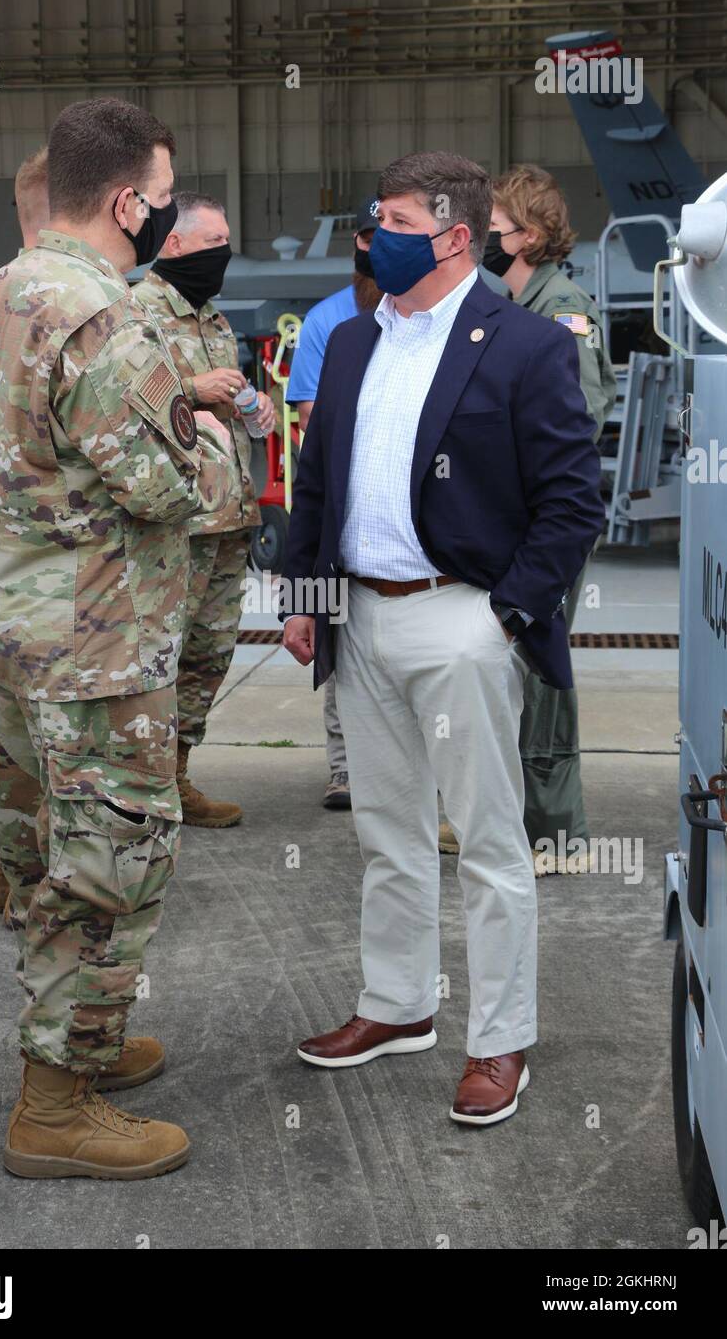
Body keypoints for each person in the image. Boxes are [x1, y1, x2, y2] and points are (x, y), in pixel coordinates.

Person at [281, 150, 604, 1126]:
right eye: (372, 220)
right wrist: (303, 597)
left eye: (392, 223)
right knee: (387, 832)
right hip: (360, 617)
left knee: (490, 845)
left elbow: (571, 502)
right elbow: (315, 482)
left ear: (455, 236)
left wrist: (501, 617)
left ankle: (498, 1040)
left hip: (462, 617)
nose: (370, 237)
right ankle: (397, 1005)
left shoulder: (524, 346)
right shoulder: (351, 342)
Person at [0, 97, 237, 1180]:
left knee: (49, 851)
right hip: (97, 646)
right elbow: (167, 487)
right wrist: (209, 437)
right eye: (160, 199)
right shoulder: (99, 317)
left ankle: (90, 1045)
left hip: (17, 634)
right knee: (109, 862)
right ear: (127, 203)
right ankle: (54, 1107)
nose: (163, 215)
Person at [479, 163, 616, 872]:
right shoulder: (511, 303)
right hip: (514, 515)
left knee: (542, 666)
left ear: (528, 236)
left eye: (494, 227)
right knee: (509, 665)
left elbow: (581, 413)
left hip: (549, 519)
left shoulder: (562, 308)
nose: (483, 238)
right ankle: (510, 817)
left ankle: (557, 833)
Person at [131, 193, 274, 827]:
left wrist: (254, 407)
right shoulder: (136, 312)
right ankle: (142, 785)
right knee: (158, 656)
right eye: (213, 241)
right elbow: (120, 401)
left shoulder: (212, 318)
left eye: (226, 241)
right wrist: (192, 388)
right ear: (176, 244)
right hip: (176, 523)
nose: (223, 253)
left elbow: (226, 406)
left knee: (207, 657)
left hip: (230, 516)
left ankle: (178, 774)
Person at [285, 197, 382, 809]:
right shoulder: (328, 321)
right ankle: (345, 769)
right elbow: (310, 423)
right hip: (340, 514)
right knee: (337, 644)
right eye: (369, 237)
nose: (377, 247)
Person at [0, 147, 51, 918]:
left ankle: (16, 879)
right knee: (73, 760)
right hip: (71, 589)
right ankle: (43, 899)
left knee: (11, 748)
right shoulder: (84, 304)